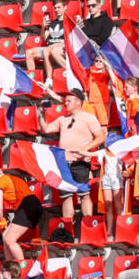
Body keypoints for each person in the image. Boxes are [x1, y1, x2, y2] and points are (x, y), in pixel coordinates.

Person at [43, 90, 105, 219]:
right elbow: (46, 129)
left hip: (80, 162)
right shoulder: (62, 119)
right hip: (63, 163)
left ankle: (88, 223)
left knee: (84, 194)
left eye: (69, 100)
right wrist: (41, 114)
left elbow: (101, 137)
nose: (65, 103)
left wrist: (85, 150)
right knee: (66, 196)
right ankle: (68, 226)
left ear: (78, 102)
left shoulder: (89, 117)